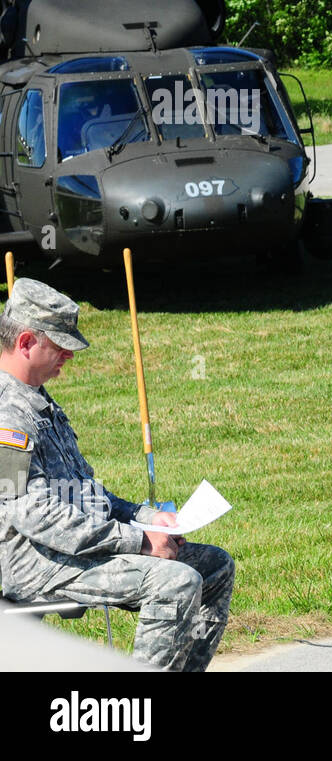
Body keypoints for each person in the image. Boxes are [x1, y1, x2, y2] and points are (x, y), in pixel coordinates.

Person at [0, 278, 235, 670]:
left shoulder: (39, 402)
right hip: (39, 562)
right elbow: (33, 514)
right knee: (174, 583)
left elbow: (86, 494)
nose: (68, 357)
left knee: (214, 566)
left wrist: (147, 518)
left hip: (80, 546)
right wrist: (139, 541)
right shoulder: (8, 415)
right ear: (26, 343)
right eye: (59, 347)